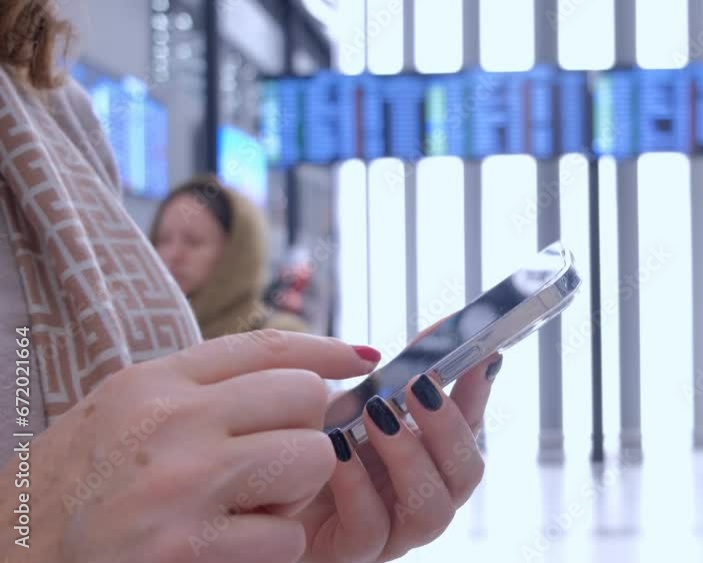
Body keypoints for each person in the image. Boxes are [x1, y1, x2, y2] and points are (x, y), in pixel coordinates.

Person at [0, 2, 501, 561]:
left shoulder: (56, 108)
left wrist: (259, 521)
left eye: (194, 243)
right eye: (161, 239)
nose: (169, 257)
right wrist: (26, 527)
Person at [151, 174, 310, 338]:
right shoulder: (148, 336)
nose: (173, 255)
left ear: (237, 253)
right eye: (163, 240)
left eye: (194, 242)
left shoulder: (278, 337)